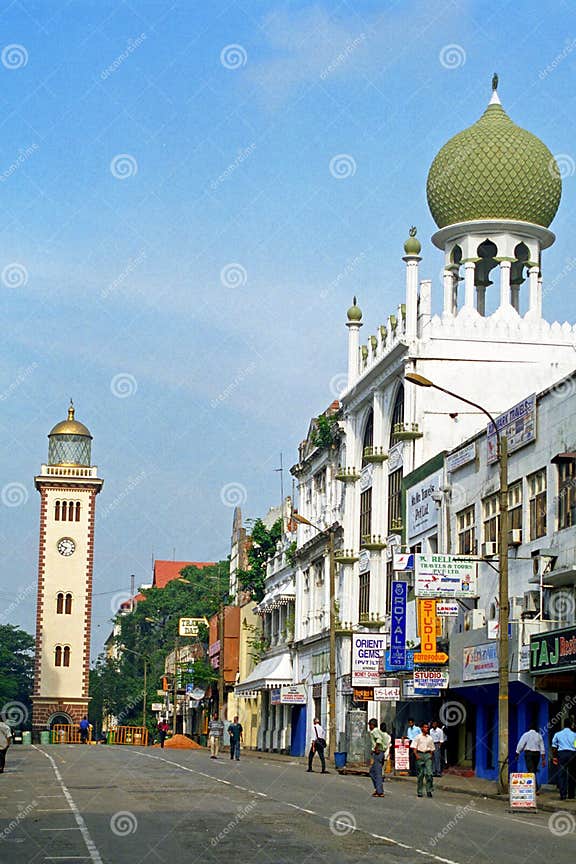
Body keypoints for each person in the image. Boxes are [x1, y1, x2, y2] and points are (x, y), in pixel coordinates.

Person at [552, 719, 576, 800]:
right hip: (572, 754)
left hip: (561, 754)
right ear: (571, 725)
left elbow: (554, 746)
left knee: (562, 774)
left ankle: (563, 795)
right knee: (572, 774)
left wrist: (554, 757)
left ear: (564, 725)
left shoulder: (558, 734)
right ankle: (571, 795)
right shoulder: (574, 735)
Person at [516, 725, 545, 791]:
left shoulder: (526, 735)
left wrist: (517, 753)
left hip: (529, 754)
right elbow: (542, 748)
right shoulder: (539, 736)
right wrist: (543, 759)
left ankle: (535, 788)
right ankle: (533, 787)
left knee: (531, 771)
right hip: (537, 754)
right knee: (533, 770)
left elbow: (521, 744)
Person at [411, 722, 436, 798]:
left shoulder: (430, 738)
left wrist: (430, 755)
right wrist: (416, 756)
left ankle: (429, 790)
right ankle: (420, 791)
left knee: (429, 773)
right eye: (425, 727)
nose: (426, 729)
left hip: (427, 755)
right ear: (422, 728)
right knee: (420, 774)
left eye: (427, 727)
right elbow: (414, 747)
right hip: (420, 754)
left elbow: (432, 748)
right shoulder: (418, 737)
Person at [368, 718, 390, 797]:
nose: (369, 727)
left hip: (379, 753)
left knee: (377, 773)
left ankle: (379, 791)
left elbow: (379, 740)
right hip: (378, 752)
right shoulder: (378, 731)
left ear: (372, 725)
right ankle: (377, 788)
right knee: (372, 772)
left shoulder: (375, 731)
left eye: (370, 725)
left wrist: (376, 748)